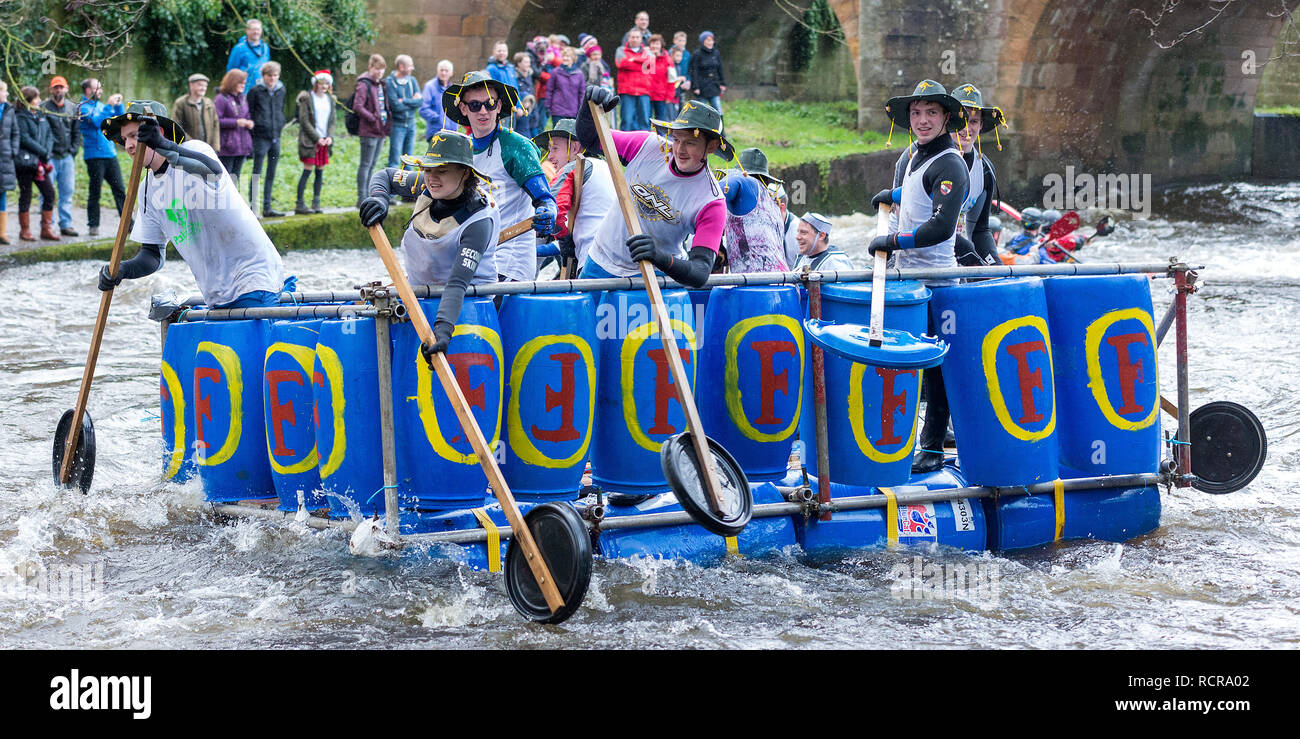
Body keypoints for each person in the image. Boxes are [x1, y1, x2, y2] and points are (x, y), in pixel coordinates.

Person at [95, 101, 289, 309]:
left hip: (253, 278)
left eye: (133, 136)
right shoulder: (146, 190)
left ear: (158, 132)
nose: (128, 146)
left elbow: (212, 169)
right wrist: (122, 270)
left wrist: (163, 145)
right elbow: (153, 255)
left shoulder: (194, 150)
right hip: (215, 293)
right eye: (124, 140)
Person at [868, 79, 969, 474]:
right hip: (907, 282)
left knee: (937, 368)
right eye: (916, 112)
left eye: (931, 112)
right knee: (905, 361)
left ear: (946, 117)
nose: (922, 120)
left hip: (938, 284)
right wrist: (890, 197)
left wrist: (891, 240)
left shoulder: (951, 162)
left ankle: (931, 448)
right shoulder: (915, 156)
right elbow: (917, 193)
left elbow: (942, 225)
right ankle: (897, 438)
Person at [357, 132, 500, 355]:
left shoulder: (478, 221)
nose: (431, 178)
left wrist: (442, 332)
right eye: (428, 169)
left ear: (464, 172)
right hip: (419, 300)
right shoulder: (427, 184)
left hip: (465, 307)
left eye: (441, 171)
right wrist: (379, 199)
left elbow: (457, 283)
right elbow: (384, 175)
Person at [575, 89, 730, 288]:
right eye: (676, 139)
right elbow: (592, 140)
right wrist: (588, 109)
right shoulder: (647, 146)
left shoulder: (711, 201)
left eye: (690, 143)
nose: (680, 150)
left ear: (711, 146)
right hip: (600, 261)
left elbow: (700, 272)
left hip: (652, 277)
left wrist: (658, 256)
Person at [441, 70, 556, 282]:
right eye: (475, 105)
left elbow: (545, 199)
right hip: (471, 254)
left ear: (500, 106)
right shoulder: (459, 148)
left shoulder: (516, 146)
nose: (483, 111)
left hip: (509, 258)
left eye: (490, 104)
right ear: (464, 108)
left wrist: (547, 211)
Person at [533, 118, 616, 268]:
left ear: (575, 148)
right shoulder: (607, 168)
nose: (549, 156)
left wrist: (564, 240)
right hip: (621, 257)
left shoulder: (574, 167)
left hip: (594, 261)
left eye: (555, 148)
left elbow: (551, 211)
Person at [949, 83, 1006, 267]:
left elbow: (980, 230)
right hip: (911, 257)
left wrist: (995, 267)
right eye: (961, 118)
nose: (967, 128)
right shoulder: (919, 155)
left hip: (950, 256)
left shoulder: (985, 170)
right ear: (948, 120)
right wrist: (962, 247)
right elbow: (912, 222)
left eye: (973, 121)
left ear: (981, 125)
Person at [717, 147, 788, 272]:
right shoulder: (771, 203)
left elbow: (715, 194)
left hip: (758, 283)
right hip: (782, 280)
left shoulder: (745, 180)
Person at [78, 78, 125, 237]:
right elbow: (98, 122)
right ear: (88, 90)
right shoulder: (82, 107)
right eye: (97, 88)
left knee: (120, 190)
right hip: (94, 157)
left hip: (110, 154)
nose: (101, 91)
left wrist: (118, 105)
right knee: (95, 191)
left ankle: (128, 225)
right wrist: (110, 105)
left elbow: (120, 121)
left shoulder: (101, 106)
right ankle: (93, 226)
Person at [14, 86, 59, 241]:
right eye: (36, 98)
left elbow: (49, 135)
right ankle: (24, 231)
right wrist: (43, 151)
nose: (40, 101)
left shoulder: (41, 115)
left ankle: (45, 230)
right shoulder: (19, 116)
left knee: (49, 194)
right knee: (25, 195)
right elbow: (24, 139)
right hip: (26, 163)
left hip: (41, 163)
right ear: (28, 100)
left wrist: (47, 151)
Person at [42, 76, 81, 237]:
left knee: (67, 192)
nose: (58, 90)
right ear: (51, 89)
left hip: (67, 156)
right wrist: (45, 152)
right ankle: (47, 226)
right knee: (47, 192)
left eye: (61, 87)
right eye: (55, 87)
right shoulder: (43, 107)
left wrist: (73, 150)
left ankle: (66, 224)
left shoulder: (73, 108)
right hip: (49, 157)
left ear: (66, 89)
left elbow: (76, 132)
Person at [248, 61, 287, 217]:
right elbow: (249, 112)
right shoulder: (255, 91)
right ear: (264, 76)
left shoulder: (281, 90)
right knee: (257, 172)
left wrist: (280, 123)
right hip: (260, 137)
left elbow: (280, 110)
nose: (272, 78)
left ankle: (267, 207)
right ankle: (254, 207)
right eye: (269, 75)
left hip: (276, 137)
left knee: (271, 172)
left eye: (275, 75)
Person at [295, 70, 335, 215]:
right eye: (321, 83)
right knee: (307, 170)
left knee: (320, 172)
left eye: (327, 83)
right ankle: (300, 204)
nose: (324, 86)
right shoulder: (307, 99)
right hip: (311, 141)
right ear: (315, 84)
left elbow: (332, 121)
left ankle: (316, 202)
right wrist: (317, 137)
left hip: (325, 141)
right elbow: (304, 121)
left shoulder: (330, 99)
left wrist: (329, 136)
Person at [353, 54, 390, 204]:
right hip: (369, 131)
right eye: (377, 69)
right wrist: (373, 118)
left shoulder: (381, 84)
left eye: (382, 69)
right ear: (370, 68)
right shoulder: (364, 84)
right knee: (365, 164)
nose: (380, 72)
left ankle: (368, 195)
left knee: (373, 164)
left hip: (380, 130)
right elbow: (358, 106)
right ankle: (361, 197)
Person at [215, 69, 254, 190]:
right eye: (241, 83)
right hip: (228, 146)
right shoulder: (221, 99)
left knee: (235, 178)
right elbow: (216, 121)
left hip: (242, 146)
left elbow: (246, 115)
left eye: (244, 83)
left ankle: (232, 206)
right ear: (232, 82)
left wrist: (249, 122)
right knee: (225, 179)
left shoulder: (242, 98)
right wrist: (236, 122)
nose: (243, 85)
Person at [385, 54, 422, 167]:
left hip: (411, 125)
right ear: (401, 67)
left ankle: (407, 184)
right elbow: (395, 106)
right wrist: (412, 101)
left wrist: (404, 101)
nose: (412, 68)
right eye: (410, 66)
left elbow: (420, 102)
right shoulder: (390, 82)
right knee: (394, 160)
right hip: (397, 126)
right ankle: (393, 183)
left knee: (409, 160)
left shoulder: (412, 80)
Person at [171, 73, 220, 153]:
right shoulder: (181, 103)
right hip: (188, 149)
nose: (203, 88)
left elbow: (216, 125)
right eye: (200, 85)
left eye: (205, 86)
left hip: (208, 150)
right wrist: (193, 145)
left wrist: (215, 147)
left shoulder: (209, 103)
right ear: (191, 85)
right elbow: (176, 126)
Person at [616, 29, 651, 131]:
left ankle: (645, 145)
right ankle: (623, 145)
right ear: (628, 38)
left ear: (641, 39)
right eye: (633, 37)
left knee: (644, 121)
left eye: (637, 37)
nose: (635, 39)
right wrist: (642, 63)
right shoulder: (620, 50)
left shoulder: (647, 51)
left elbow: (651, 66)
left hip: (644, 90)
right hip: (627, 90)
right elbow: (621, 64)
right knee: (626, 120)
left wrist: (634, 60)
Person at [690, 32, 727, 118]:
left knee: (718, 111)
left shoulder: (716, 53)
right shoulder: (697, 54)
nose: (710, 42)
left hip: (714, 86)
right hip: (701, 87)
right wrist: (695, 87)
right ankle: (700, 130)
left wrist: (722, 83)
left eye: (712, 40)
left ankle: (720, 131)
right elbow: (693, 71)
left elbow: (720, 69)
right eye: (708, 40)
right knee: (701, 112)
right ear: (703, 41)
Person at [226, 18, 271, 88]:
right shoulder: (239, 48)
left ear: (261, 30)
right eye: (253, 29)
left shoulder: (265, 47)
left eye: (258, 29)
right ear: (247, 30)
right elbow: (231, 70)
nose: (256, 32)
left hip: (262, 88)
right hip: (244, 89)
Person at [546, 46, 586, 124]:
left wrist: (581, 109)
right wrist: (547, 106)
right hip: (558, 110)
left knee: (571, 135)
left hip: (573, 110)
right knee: (558, 135)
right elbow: (549, 90)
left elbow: (582, 93)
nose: (565, 58)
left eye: (568, 56)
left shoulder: (579, 74)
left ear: (573, 58)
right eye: (564, 56)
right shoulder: (555, 72)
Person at [419, 59, 456, 140]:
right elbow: (423, 109)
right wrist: (438, 118)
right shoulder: (429, 86)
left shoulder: (454, 90)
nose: (443, 73)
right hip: (435, 133)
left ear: (451, 73)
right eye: (441, 70)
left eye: (446, 70)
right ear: (437, 71)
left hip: (452, 133)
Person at [0, 82, 16, 244]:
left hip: (5, 156)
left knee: (2, 193)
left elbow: (15, 132)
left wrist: (13, 151)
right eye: (4, 92)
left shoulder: (9, 109)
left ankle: (2, 232)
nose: (6, 95)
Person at [647, 35, 675, 124]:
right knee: (646, 121)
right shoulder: (644, 58)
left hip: (661, 96)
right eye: (652, 43)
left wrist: (669, 96)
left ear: (661, 45)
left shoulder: (668, 59)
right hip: (646, 95)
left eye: (657, 44)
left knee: (660, 122)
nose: (654, 46)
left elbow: (672, 79)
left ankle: (661, 138)